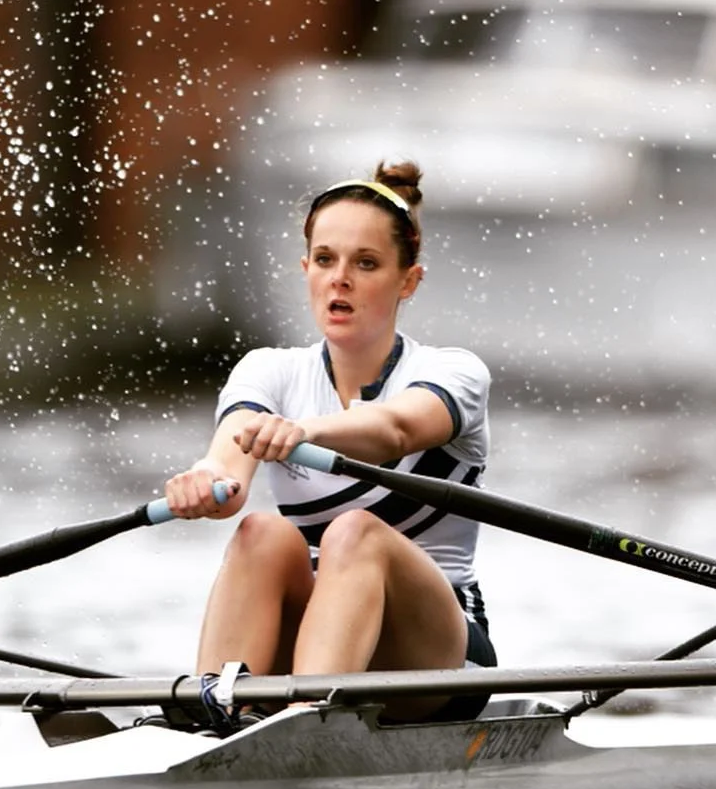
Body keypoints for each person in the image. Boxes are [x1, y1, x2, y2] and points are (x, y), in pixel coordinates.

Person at [164, 160, 495, 723]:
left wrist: (303, 431)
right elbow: (229, 470)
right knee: (261, 531)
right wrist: (206, 483)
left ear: (407, 280)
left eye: (366, 264)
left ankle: (305, 719)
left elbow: (396, 429)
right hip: (316, 635)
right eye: (325, 260)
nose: (340, 278)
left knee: (355, 532)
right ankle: (214, 712)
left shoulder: (454, 372)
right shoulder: (268, 371)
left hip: (436, 656)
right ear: (306, 269)